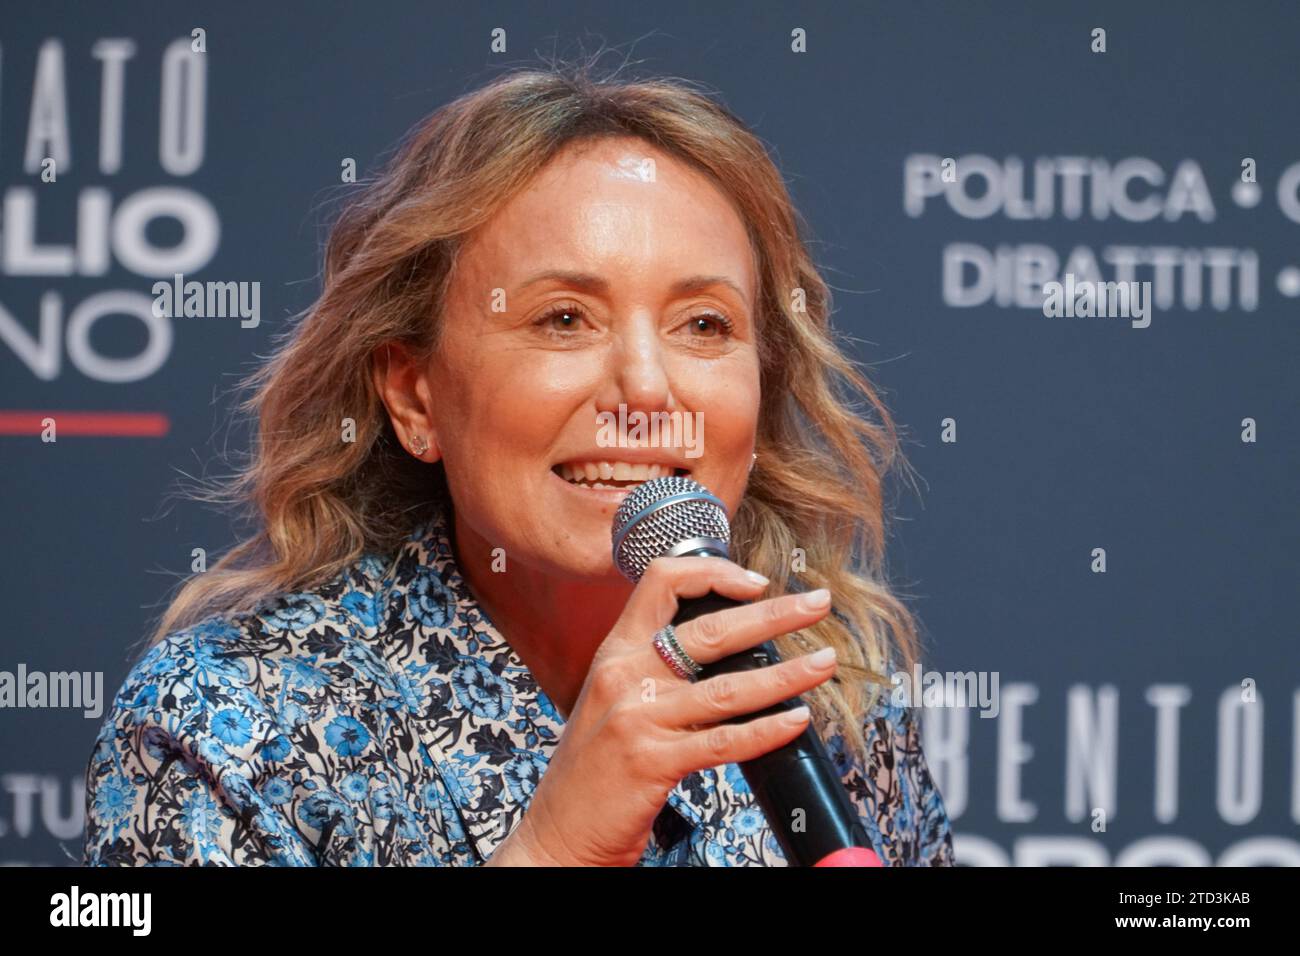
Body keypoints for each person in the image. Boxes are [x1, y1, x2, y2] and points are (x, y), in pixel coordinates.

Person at [83, 60, 956, 867]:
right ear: (416, 395)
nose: (648, 390)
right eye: (564, 319)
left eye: (704, 325)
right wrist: (550, 848)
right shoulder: (229, 727)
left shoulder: (831, 709)